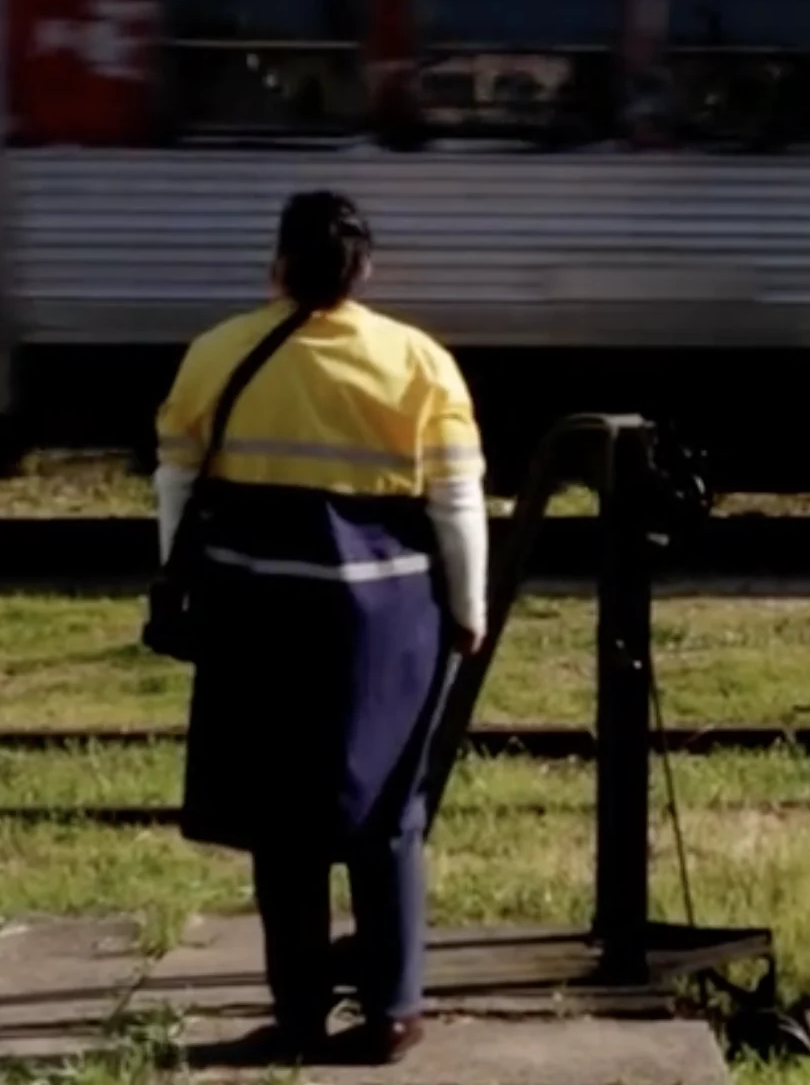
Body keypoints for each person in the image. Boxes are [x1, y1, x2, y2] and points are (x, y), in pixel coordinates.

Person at [150, 190, 490, 1067]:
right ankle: (392, 1014)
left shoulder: (216, 354)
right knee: (389, 814)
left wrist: (177, 583)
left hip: (255, 610)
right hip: (389, 620)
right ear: (364, 269)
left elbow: (177, 485)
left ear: (278, 264)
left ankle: (299, 1012)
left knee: (280, 821)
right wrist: (468, 609)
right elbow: (456, 502)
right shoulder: (417, 361)